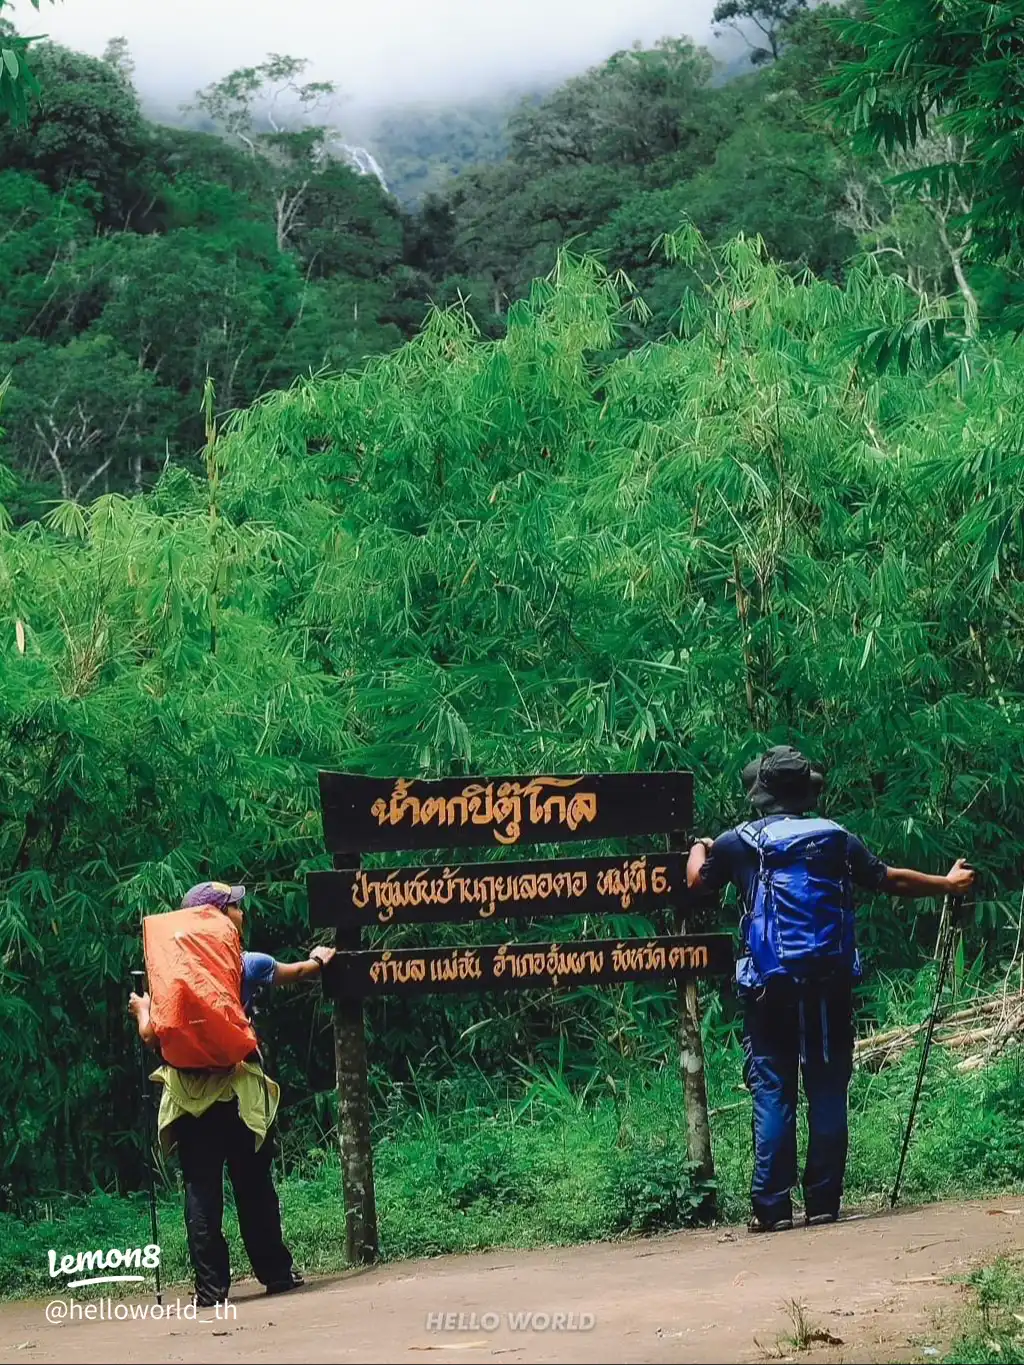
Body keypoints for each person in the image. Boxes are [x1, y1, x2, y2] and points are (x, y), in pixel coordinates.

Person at [686, 746, 975, 1234]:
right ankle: (823, 1202)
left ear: (762, 795)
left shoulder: (741, 843)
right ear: (806, 793)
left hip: (768, 988)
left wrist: (700, 847)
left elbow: (697, 883)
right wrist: (947, 883)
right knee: (825, 1087)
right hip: (829, 984)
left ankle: (772, 1209)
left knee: (774, 1089)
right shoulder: (835, 837)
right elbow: (890, 880)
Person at [128, 881, 335, 1306]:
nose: (242, 914)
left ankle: (210, 1290)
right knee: (254, 1185)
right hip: (239, 1093)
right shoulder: (247, 963)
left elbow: (151, 1036)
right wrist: (319, 959)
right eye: (236, 907)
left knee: (201, 1190)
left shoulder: (171, 974)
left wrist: (141, 1009)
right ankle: (276, 1274)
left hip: (188, 1099)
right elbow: (297, 973)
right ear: (218, 916)